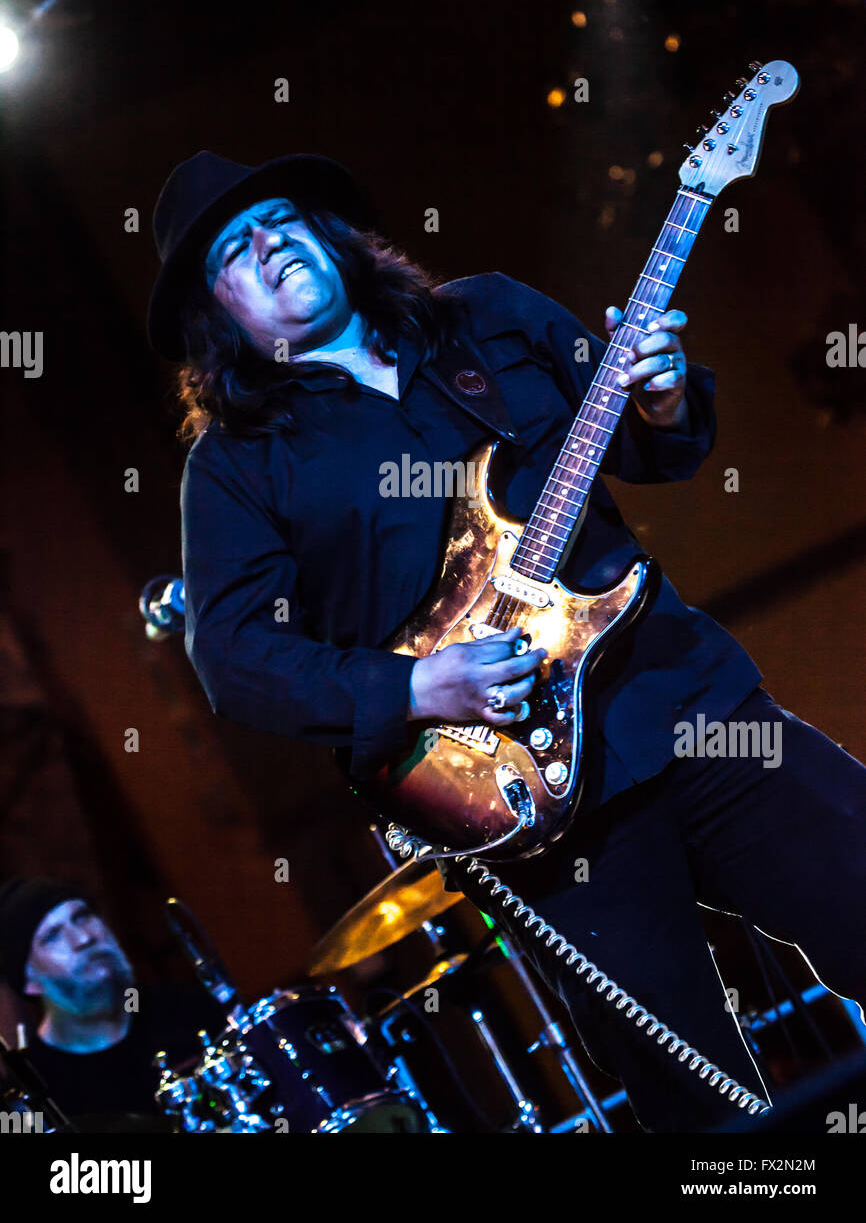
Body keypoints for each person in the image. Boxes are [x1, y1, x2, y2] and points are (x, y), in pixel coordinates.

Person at [147, 149, 866, 1132]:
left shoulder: (486, 315)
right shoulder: (235, 468)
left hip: (683, 704)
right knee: (698, 1110)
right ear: (214, 311)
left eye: (281, 219)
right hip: (523, 802)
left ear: (329, 232)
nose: (269, 245)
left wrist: (658, 396)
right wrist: (414, 686)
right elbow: (233, 658)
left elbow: (653, 444)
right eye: (234, 247)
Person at [0, 878, 222, 1126]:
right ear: (29, 980)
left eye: (82, 916)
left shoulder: (186, 1008)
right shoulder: (39, 1091)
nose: (84, 938)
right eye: (52, 936)